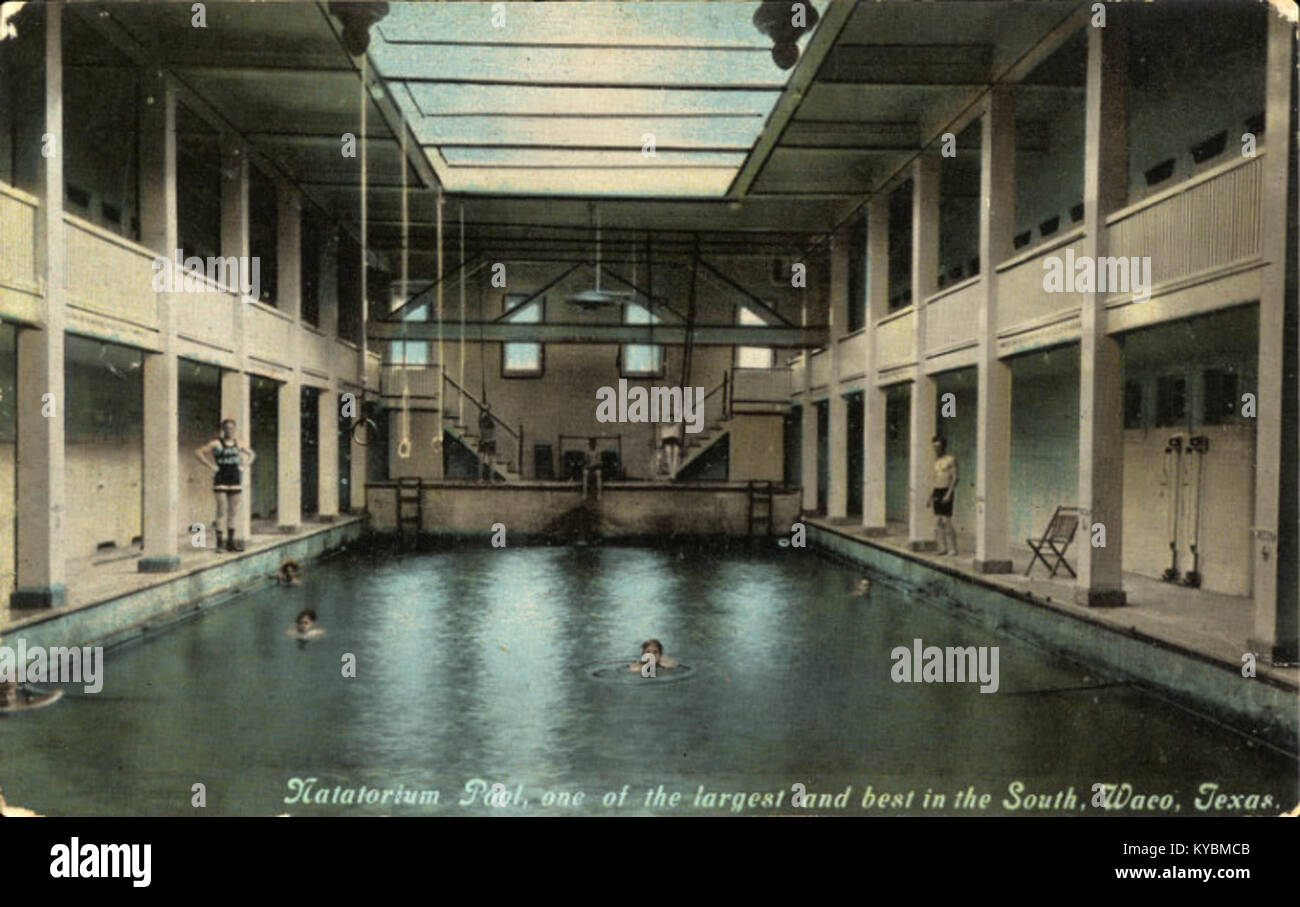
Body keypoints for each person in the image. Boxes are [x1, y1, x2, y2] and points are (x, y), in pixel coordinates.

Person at [195, 418, 255, 553]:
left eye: (232, 428)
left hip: (234, 479)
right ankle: (219, 544)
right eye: (227, 428)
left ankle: (231, 543)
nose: (229, 430)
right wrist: (211, 466)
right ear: (223, 429)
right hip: (221, 479)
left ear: (235, 429)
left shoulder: (238, 444)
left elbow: (251, 454)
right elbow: (198, 452)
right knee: (221, 510)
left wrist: (244, 466)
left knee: (232, 513)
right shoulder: (216, 443)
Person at [931, 435, 958, 556]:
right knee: (938, 521)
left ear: (943, 446)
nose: (936, 449)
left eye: (938, 446)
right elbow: (936, 479)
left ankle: (953, 548)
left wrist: (949, 493)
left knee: (947, 520)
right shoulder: (936, 462)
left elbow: (955, 478)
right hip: (937, 490)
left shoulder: (950, 460)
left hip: (946, 490)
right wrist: (931, 495)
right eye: (934, 447)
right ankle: (943, 548)